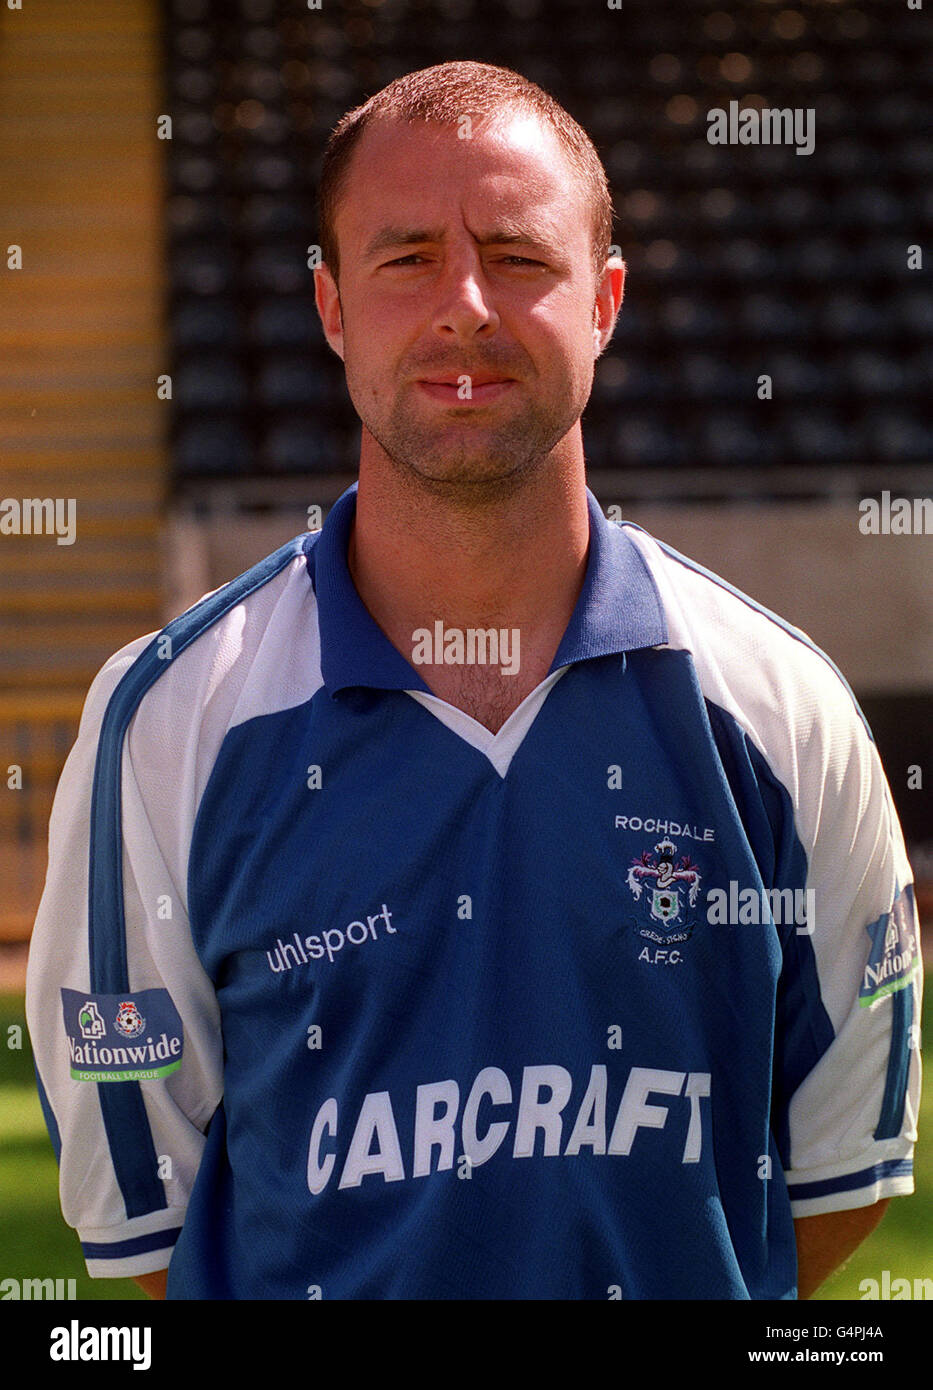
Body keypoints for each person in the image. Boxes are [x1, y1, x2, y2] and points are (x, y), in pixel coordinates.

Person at [26, 61, 921, 1301]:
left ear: (604, 302)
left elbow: (837, 1180)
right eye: (405, 260)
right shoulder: (167, 722)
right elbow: (148, 1230)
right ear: (332, 309)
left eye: (516, 256)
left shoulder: (782, 707)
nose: (464, 308)